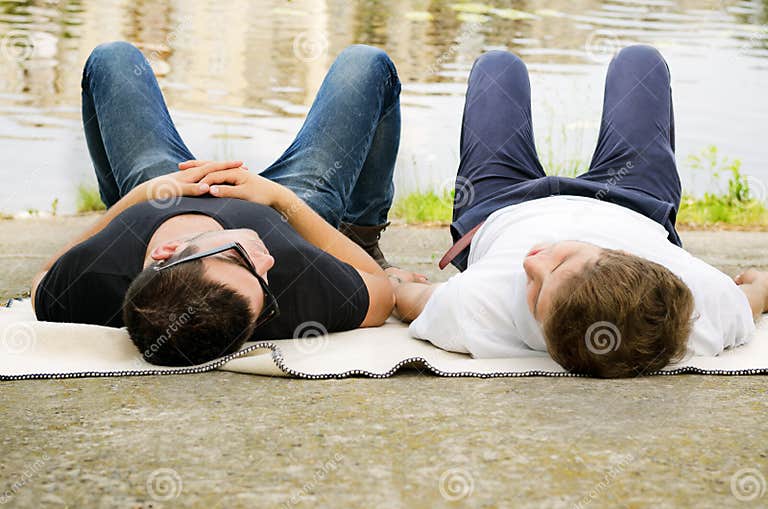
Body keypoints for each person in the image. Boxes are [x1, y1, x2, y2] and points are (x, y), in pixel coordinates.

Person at [32, 41, 425, 366]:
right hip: (287, 210)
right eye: (264, 285)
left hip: (156, 194)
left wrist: (140, 197)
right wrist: (280, 197)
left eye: (239, 259)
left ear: (167, 253)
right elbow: (381, 290)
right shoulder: (291, 282)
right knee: (366, 64)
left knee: (111, 58)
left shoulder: (93, 281)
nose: (266, 261)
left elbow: (42, 279)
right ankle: (363, 235)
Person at [393, 45, 765, 378]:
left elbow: (413, 301)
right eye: (560, 262)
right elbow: (751, 298)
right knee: (639, 61)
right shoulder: (699, 308)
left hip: (504, 204)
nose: (532, 264)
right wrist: (760, 284)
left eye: (535, 296)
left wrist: (396, 283)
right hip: (630, 201)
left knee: (498, 67)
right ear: (620, 253)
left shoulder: (479, 308)